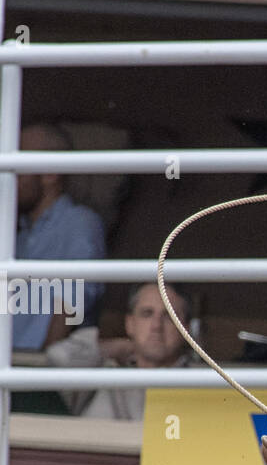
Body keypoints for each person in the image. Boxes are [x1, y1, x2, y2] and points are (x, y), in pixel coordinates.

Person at [14, 123, 106, 352]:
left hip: (37, 369)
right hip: (4, 366)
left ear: (50, 173)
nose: (10, 173)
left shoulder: (78, 223)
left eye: (20, 163)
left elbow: (70, 303)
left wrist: (43, 369)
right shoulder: (20, 232)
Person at [45, 282, 191, 421]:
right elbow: (58, 356)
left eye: (169, 316)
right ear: (130, 324)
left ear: (186, 328)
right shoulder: (104, 377)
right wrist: (115, 348)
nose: (156, 326)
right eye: (147, 314)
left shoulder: (202, 382)